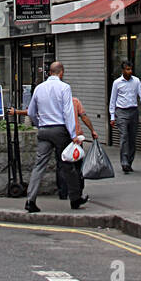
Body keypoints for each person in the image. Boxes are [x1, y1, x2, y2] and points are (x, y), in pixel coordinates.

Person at [23, 62, 86, 213]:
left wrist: (39, 124)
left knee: (39, 165)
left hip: (44, 130)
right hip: (60, 130)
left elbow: (31, 112)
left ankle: (30, 200)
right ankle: (75, 198)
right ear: (61, 72)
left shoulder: (39, 88)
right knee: (68, 164)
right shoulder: (64, 88)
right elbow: (68, 112)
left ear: (49, 72)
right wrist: (73, 134)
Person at [109, 61, 141, 173]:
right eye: (127, 69)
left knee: (132, 138)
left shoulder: (136, 81)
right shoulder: (117, 83)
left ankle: (129, 161)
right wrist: (112, 116)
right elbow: (113, 99)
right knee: (124, 136)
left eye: (131, 69)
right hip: (121, 111)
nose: (129, 71)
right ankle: (124, 162)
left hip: (133, 111)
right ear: (123, 70)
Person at [57, 92, 98, 201]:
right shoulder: (75, 101)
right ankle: (78, 191)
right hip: (76, 138)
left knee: (62, 164)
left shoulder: (56, 103)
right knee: (77, 165)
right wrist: (92, 130)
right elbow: (84, 117)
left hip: (62, 137)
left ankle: (63, 192)